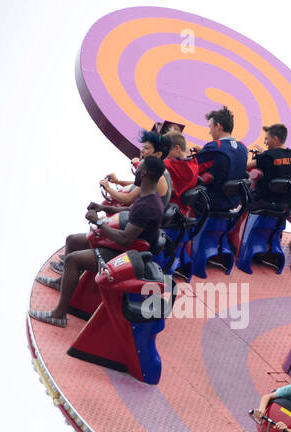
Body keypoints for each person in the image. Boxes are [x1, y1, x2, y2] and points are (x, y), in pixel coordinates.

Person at [29, 156, 166, 327]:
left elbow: (125, 239)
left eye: (139, 168)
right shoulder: (149, 197)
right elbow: (129, 210)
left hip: (124, 254)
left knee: (72, 260)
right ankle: (61, 282)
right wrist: (104, 208)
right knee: (73, 240)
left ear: (144, 173)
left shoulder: (148, 206)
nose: (136, 170)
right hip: (127, 245)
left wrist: (99, 222)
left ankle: (59, 314)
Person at [98, 130, 172, 207]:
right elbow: (137, 187)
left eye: (146, 148)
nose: (141, 150)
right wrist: (118, 181)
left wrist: (108, 188)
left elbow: (129, 198)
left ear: (158, 154)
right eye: (143, 147)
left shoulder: (155, 174)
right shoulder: (160, 170)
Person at [195, 107, 249, 210]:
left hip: (210, 203)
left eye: (210, 127)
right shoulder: (243, 148)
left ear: (218, 126)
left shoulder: (214, 147)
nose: (209, 132)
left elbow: (193, 169)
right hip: (232, 204)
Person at [247, 123, 291, 201]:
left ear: (275, 139)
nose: (265, 142)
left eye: (266, 139)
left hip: (265, 199)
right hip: (285, 201)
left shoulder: (268, 155)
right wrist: (264, 153)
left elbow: (245, 166)